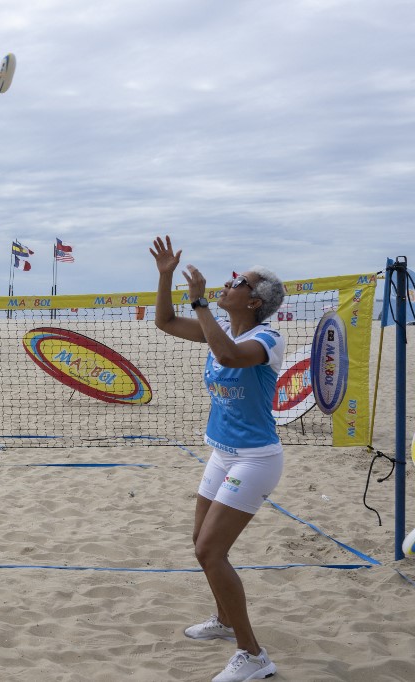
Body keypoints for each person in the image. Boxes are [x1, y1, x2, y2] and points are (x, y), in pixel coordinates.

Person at [150, 235, 284, 682]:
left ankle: (254, 655)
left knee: (210, 551)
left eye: (238, 282)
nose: (228, 284)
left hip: (256, 459)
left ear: (255, 301)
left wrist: (201, 301)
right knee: (201, 543)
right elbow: (165, 322)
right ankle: (226, 620)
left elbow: (228, 355)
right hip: (222, 453)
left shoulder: (267, 338)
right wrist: (166, 276)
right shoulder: (219, 328)